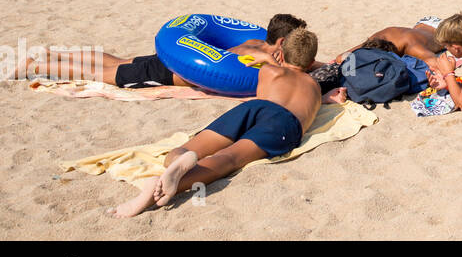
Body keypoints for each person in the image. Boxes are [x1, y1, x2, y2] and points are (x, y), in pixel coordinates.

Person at [111, 28, 323, 218]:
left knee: (186, 148)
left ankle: (177, 160)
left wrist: (270, 61)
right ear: (311, 63)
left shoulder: (268, 71)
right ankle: (164, 186)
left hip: (255, 107)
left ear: (282, 53)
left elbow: (255, 62)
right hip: (284, 122)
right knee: (229, 158)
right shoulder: (315, 87)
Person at [21, 13, 309, 88]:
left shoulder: (261, 42)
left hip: (179, 54)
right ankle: (36, 66)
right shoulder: (260, 53)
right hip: (171, 71)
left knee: (122, 59)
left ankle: (52, 54)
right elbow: (233, 62)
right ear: (281, 43)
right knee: (105, 74)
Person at [333, 10, 462, 92]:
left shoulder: (411, 46)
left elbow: (435, 61)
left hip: (436, 30)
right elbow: (340, 57)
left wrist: (446, 76)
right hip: (422, 23)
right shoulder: (375, 40)